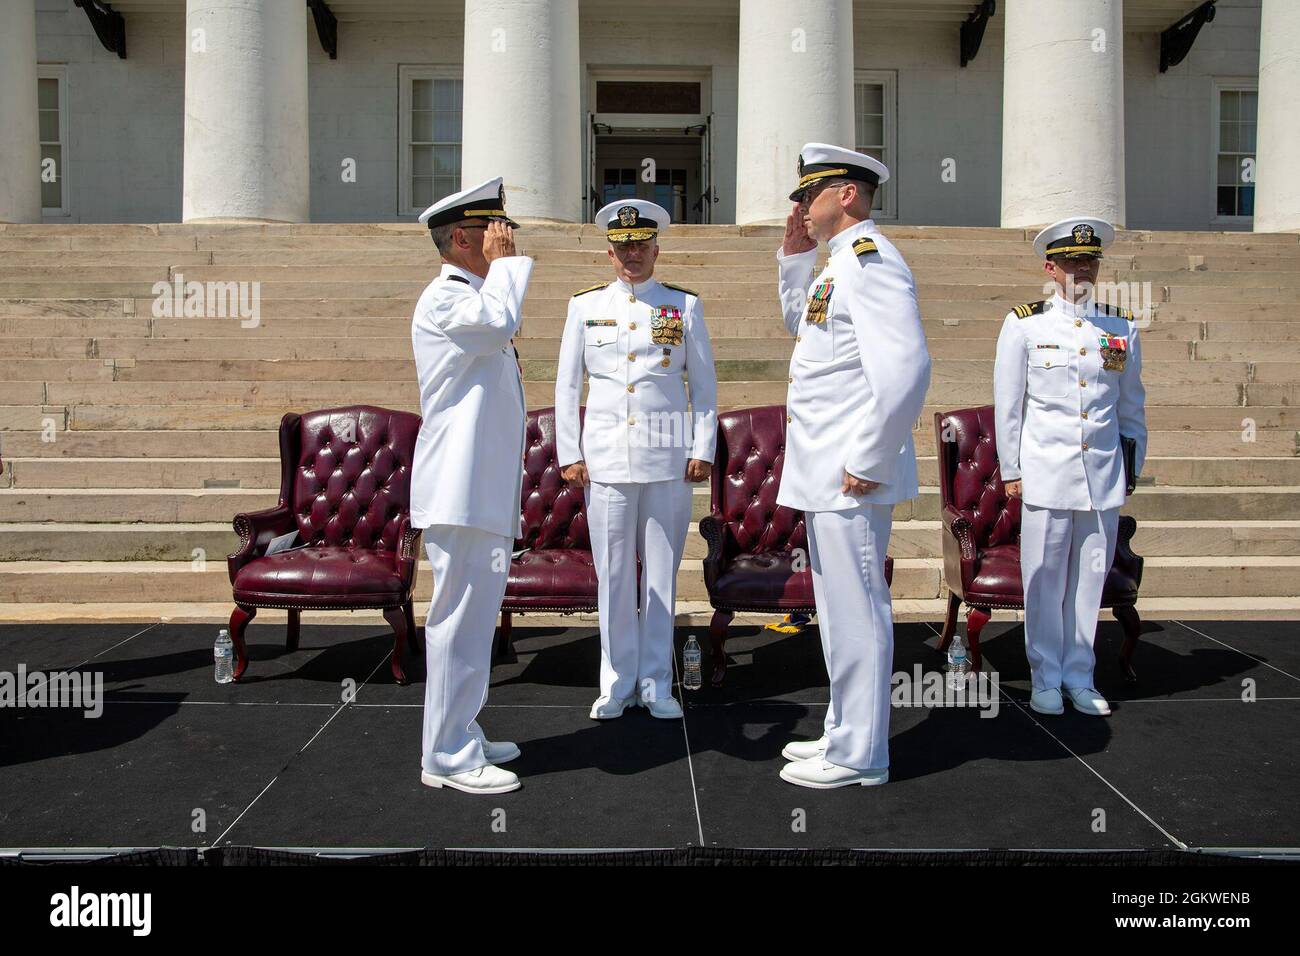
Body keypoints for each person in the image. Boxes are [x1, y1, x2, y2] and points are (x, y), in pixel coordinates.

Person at [775, 144, 931, 788]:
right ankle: (844, 729)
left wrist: (870, 457)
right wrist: (793, 260)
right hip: (827, 470)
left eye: (808, 195)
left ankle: (861, 754)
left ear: (844, 194)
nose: (799, 207)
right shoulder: (837, 264)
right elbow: (804, 328)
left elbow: (907, 368)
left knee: (859, 611)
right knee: (839, 612)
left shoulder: (871, 261)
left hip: (851, 471)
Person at [555, 199, 718, 720]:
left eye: (641, 246)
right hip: (605, 461)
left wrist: (703, 447)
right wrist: (569, 451)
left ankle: (656, 682)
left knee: (661, 575)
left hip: (668, 461)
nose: (633, 255)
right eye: (623, 248)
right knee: (614, 576)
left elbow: (704, 387)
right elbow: (567, 387)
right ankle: (616, 681)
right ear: (610, 253)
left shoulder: (682, 306)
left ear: (656, 249)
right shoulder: (584, 307)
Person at [993, 216, 1147, 718]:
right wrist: (1012, 469)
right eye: (1071, 263)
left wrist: (1130, 467)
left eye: (1089, 262)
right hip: (1047, 473)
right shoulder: (1025, 323)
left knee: (1089, 582)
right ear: (1051, 268)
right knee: (1044, 579)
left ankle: (1080, 676)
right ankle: (1045, 677)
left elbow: (1130, 407)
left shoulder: (1120, 326)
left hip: (1101, 475)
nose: (1081, 271)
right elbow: (1009, 405)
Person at [410, 177, 534, 794]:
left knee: (475, 620)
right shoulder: (448, 298)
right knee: (457, 621)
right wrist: (507, 268)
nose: (505, 239)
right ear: (463, 238)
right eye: (495, 230)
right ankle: (447, 755)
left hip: (480, 491)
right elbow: (495, 326)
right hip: (459, 492)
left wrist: (502, 273)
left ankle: (461, 729)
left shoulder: (475, 297)